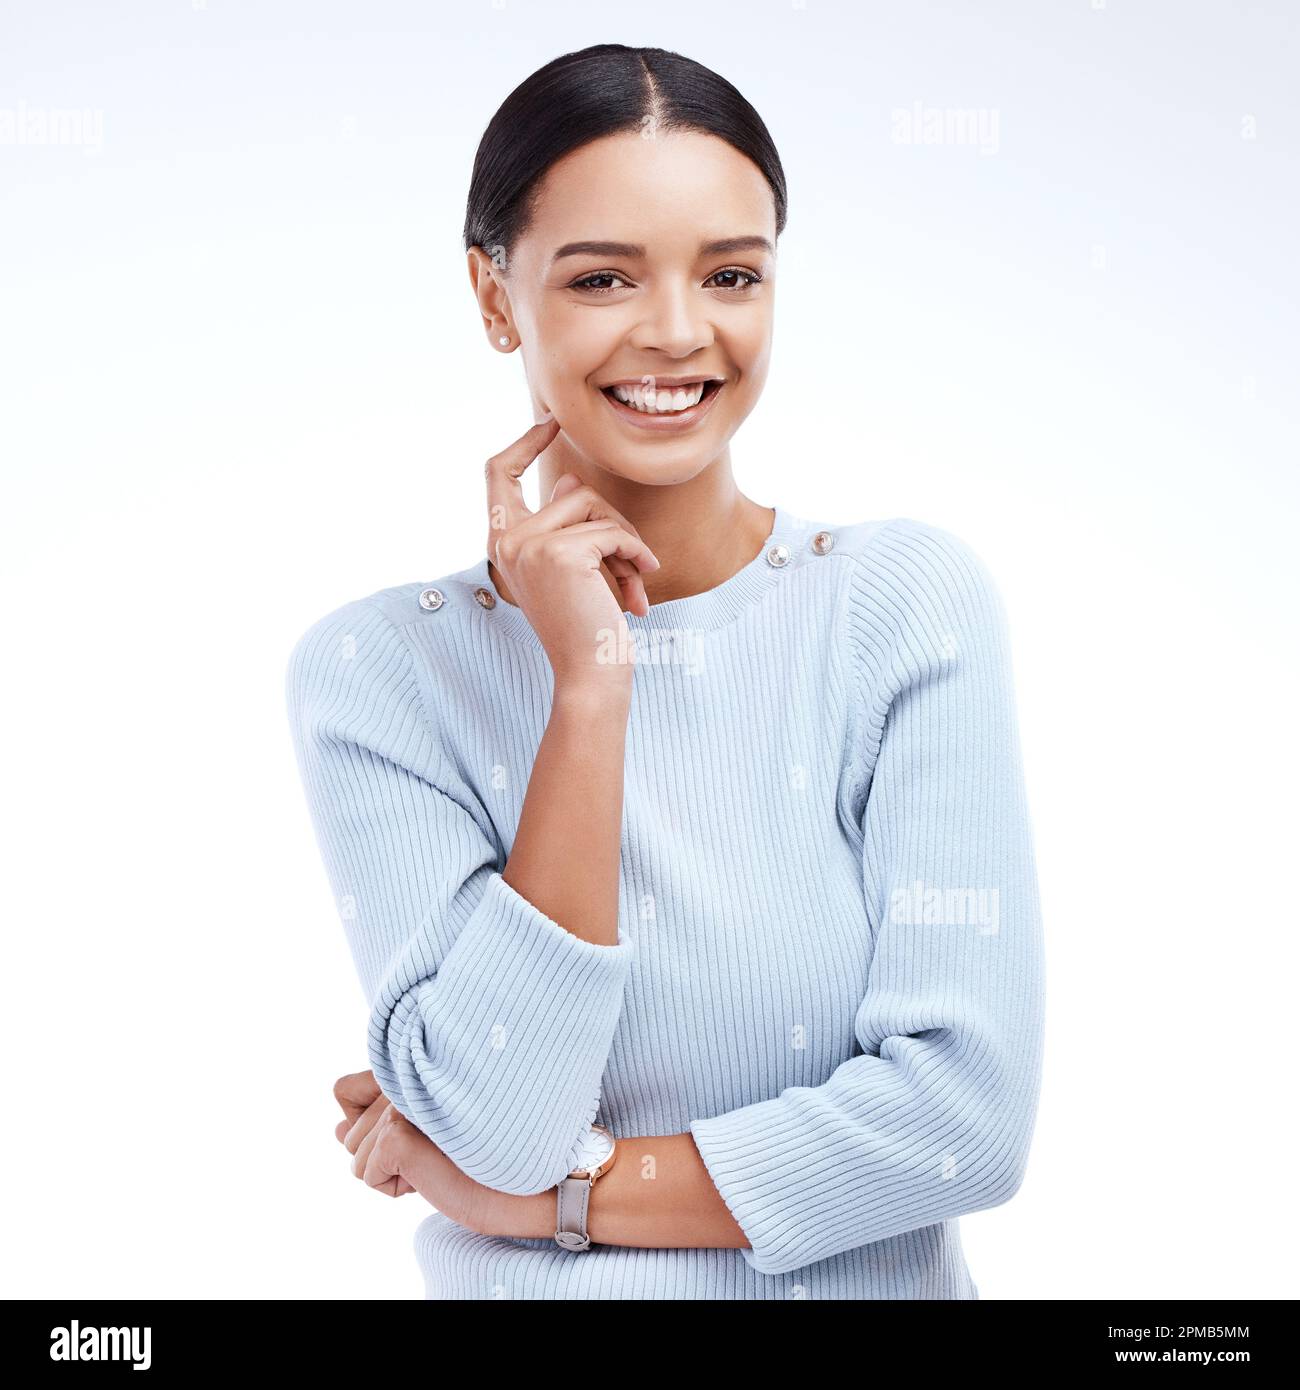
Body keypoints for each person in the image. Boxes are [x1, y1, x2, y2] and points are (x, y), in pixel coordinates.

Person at [284, 42, 1045, 1300]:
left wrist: (555, 1197)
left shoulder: (901, 607)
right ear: (492, 296)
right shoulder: (380, 674)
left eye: (732, 273)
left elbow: (962, 1116)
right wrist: (589, 692)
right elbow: (492, 1116)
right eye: (602, 278)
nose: (681, 333)